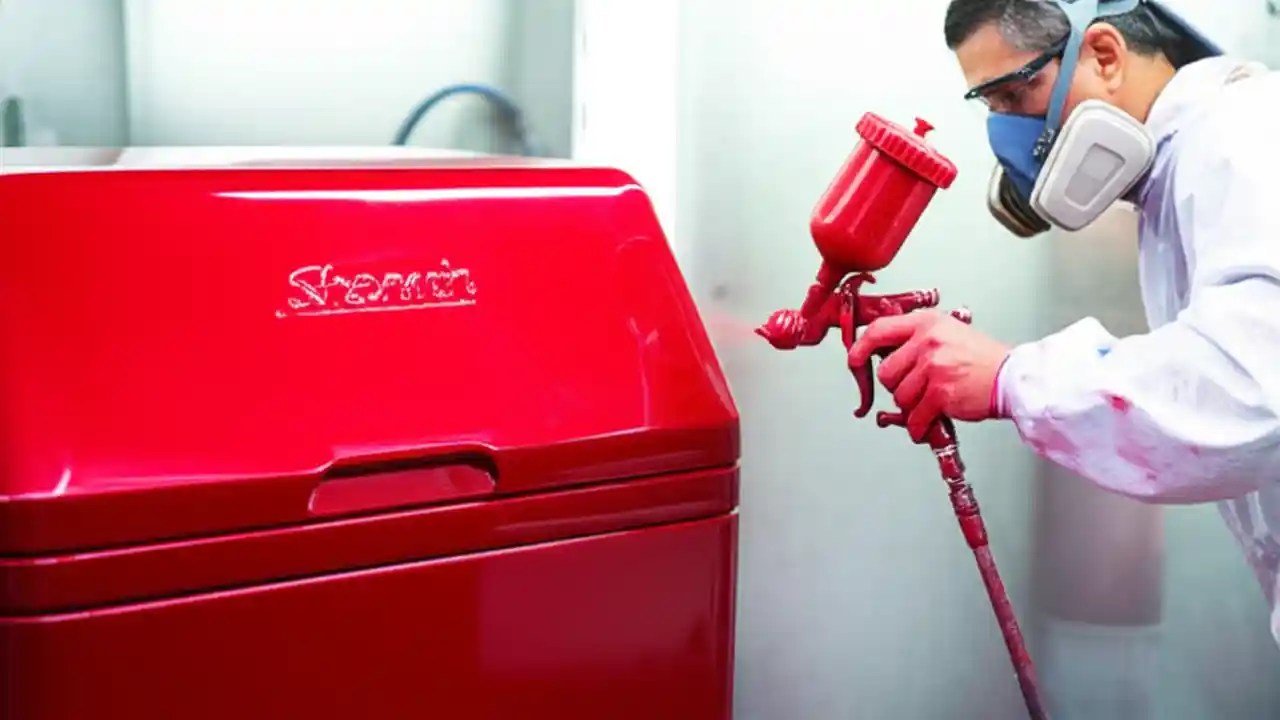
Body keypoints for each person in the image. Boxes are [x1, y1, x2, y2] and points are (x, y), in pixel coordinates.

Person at [849, 0, 1280, 643]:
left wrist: (1010, 377)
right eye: (991, 108)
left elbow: (1250, 386)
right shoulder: (1181, 166)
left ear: (1104, 56)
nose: (1009, 138)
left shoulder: (1241, 136)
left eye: (1015, 95)